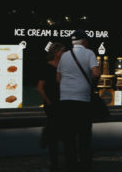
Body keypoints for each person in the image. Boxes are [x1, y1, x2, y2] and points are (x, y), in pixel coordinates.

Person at [58, 30, 99, 171]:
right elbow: (95, 73)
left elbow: (58, 78)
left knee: (68, 133)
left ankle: (71, 163)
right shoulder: (89, 53)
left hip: (65, 98)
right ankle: (85, 163)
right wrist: (87, 82)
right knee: (84, 133)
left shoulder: (64, 56)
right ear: (84, 41)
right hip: (82, 98)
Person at [37, 43, 66, 171]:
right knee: (54, 133)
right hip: (52, 104)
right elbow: (40, 87)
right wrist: (48, 102)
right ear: (55, 52)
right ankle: (54, 162)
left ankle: (66, 160)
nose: (64, 53)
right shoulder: (47, 67)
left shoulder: (64, 67)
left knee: (65, 132)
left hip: (63, 102)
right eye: (62, 51)